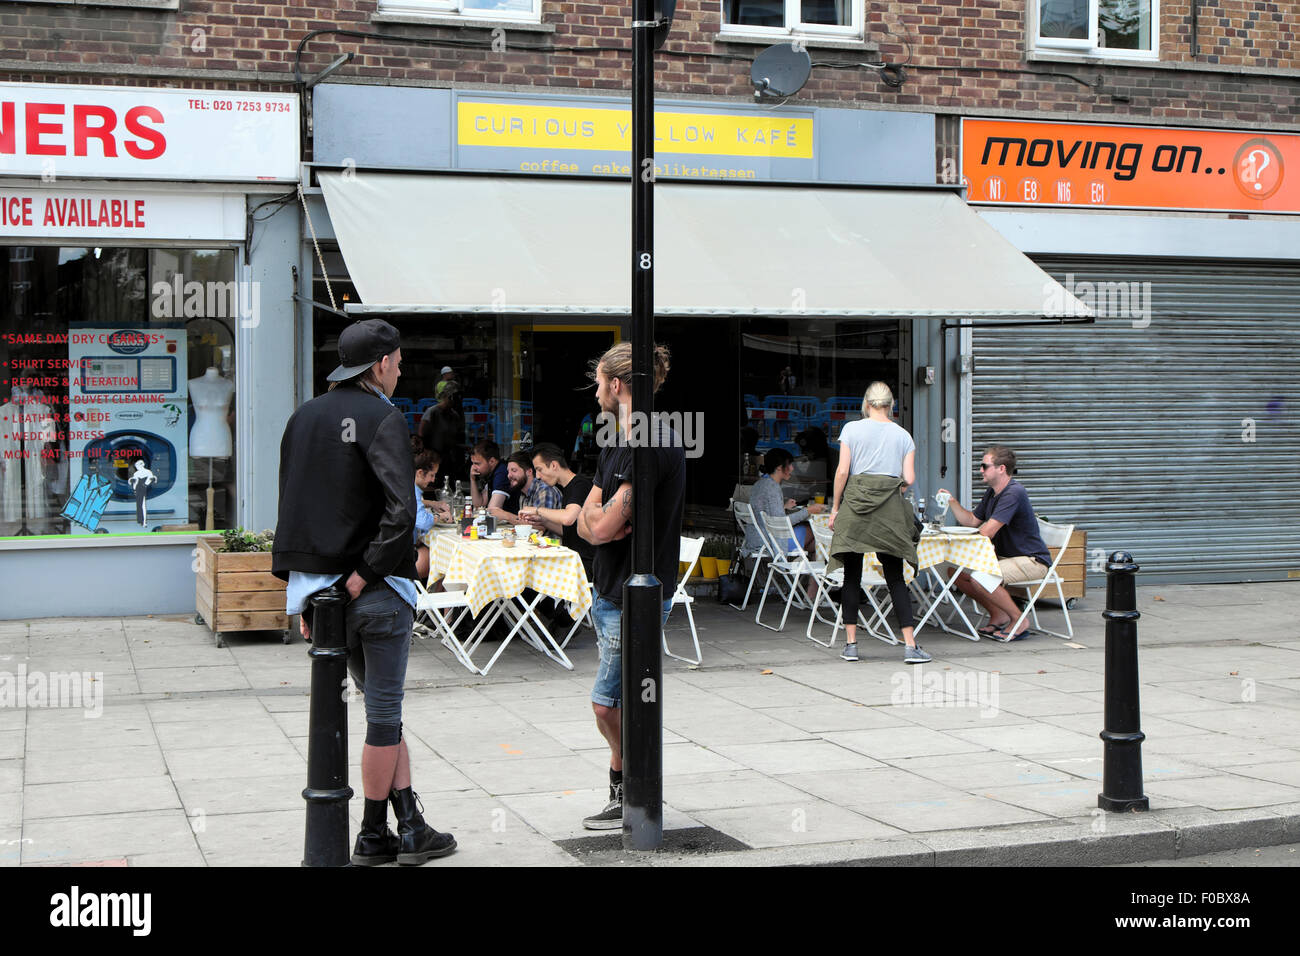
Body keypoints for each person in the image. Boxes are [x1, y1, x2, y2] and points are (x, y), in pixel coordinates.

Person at [273, 318, 456, 866]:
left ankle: (410, 825)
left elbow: (292, 505)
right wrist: (358, 577)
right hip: (373, 590)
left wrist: (307, 594)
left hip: (321, 595)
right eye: (398, 364)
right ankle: (373, 835)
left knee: (386, 714)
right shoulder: (383, 417)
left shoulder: (303, 417)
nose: (400, 373)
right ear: (379, 365)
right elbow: (402, 515)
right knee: (383, 715)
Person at [576, 342, 684, 830]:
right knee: (619, 699)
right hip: (609, 591)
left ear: (616, 384)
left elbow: (596, 529)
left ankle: (637, 784)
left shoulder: (649, 442)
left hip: (633, 596)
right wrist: (598, 519)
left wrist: (599, 520)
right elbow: (585, 518)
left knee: (606, 702)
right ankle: (624, 792)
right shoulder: (618, 441)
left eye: (599, 381)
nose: (596, 391)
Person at [828, 381, 931, 665]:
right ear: (890, 405)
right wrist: (890, 489)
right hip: (889, 511)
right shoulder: (903, 436)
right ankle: (910, 646)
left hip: (856, 505)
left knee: (851, 575)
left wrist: (836, 508)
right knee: (895, 577)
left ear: (866, 403)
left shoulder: (851, 429)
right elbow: (908, 479)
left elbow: (843, 471)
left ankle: (850, 645)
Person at [939, 444, 1052, 642]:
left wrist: (968, 538)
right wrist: (951, 501)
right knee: (955, 574)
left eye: (984, 466)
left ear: (1001, 469)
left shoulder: (1013, 493)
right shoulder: (992, 493)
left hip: (1031, 560)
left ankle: (1019, 620)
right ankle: (998, 614)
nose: (980, 470)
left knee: (980, 578)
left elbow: (987, 532)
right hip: (1006, 558)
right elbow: (972, 521)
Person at [522, 442, 595, 575]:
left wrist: (537, 509)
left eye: (539, 469)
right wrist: (542, 521)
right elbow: (567, 530)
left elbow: (568, 518)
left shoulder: (580, 484)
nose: (537, 476)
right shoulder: (567, 488)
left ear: (554, 465)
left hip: (584, 565)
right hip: (572, 560)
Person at [746, 447, 825, 553]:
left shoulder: (760, 483)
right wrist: (808, 510)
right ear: (779, 468)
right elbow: (781, 523)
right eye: (789, 465)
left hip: (757, 539)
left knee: (813, 544)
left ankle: (801, 565)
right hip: (771, 541)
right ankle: (804, 566)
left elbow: (764, 512)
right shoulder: (773, 487)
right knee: (815, 531)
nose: (792, 468)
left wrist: (783, 507)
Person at [413, 448, 452, 582]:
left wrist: (433, 504)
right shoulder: (413, 489)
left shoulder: (407, 485)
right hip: (404, 551)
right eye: (431, 475)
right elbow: (422, 522)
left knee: (440, 557)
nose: (433, 479)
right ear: (419, 473)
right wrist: (440, 517)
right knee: (441, 559)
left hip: (403, 546)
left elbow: (415, 503)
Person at [418, 384, 463, 489]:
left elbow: (456, 436)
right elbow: (421, 434)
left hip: (449, 458)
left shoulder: (454, 415)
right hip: (434, 456)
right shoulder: (432, 412)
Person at [503, 450, 562, 523]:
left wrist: (507, 516)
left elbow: (541, 526)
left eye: (514, 470)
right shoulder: (523, 493)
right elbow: (526, 524)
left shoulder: (544, 490)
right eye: (508, 471)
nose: (509, 475)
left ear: (529, 472)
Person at [468, 439, 510, 520]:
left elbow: (492, 511)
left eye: (477, 463)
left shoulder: (501, 473)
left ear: (492, 461)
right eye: (472, 463)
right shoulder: (493, 473)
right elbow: (479, 504)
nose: (473, 468)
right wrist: (472, 479)